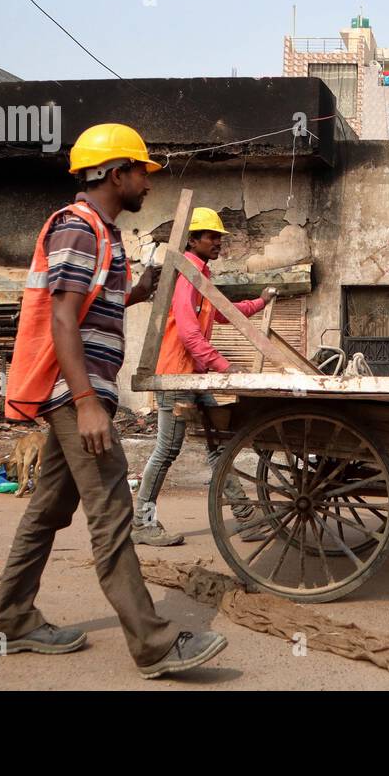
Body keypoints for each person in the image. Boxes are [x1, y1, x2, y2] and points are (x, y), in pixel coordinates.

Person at [0, 123, 227, 679]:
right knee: (113, 512)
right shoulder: (77, 229)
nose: (148, 183)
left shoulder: (104, 235)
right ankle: (155, 643)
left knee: (47, 510)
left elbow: (102, 304)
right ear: (116, 173)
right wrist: (88, 401)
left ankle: (13, 621)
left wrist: (146, 284)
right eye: (142, 172)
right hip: (76, 395)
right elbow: (64, 319)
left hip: (77, 393)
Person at [133, 207, 277, 546]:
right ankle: (141, 522)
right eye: (212, 237)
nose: (218, 243)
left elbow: (225, 313)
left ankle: (244, 516)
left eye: (219, 238)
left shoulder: (201, 275)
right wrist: (225, 366)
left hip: (192, 376)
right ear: (193, 239)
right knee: (167, 450)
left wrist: (260, 301)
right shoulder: (187, 278)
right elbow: (189, 335)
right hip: (177, 376)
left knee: (219, 446)